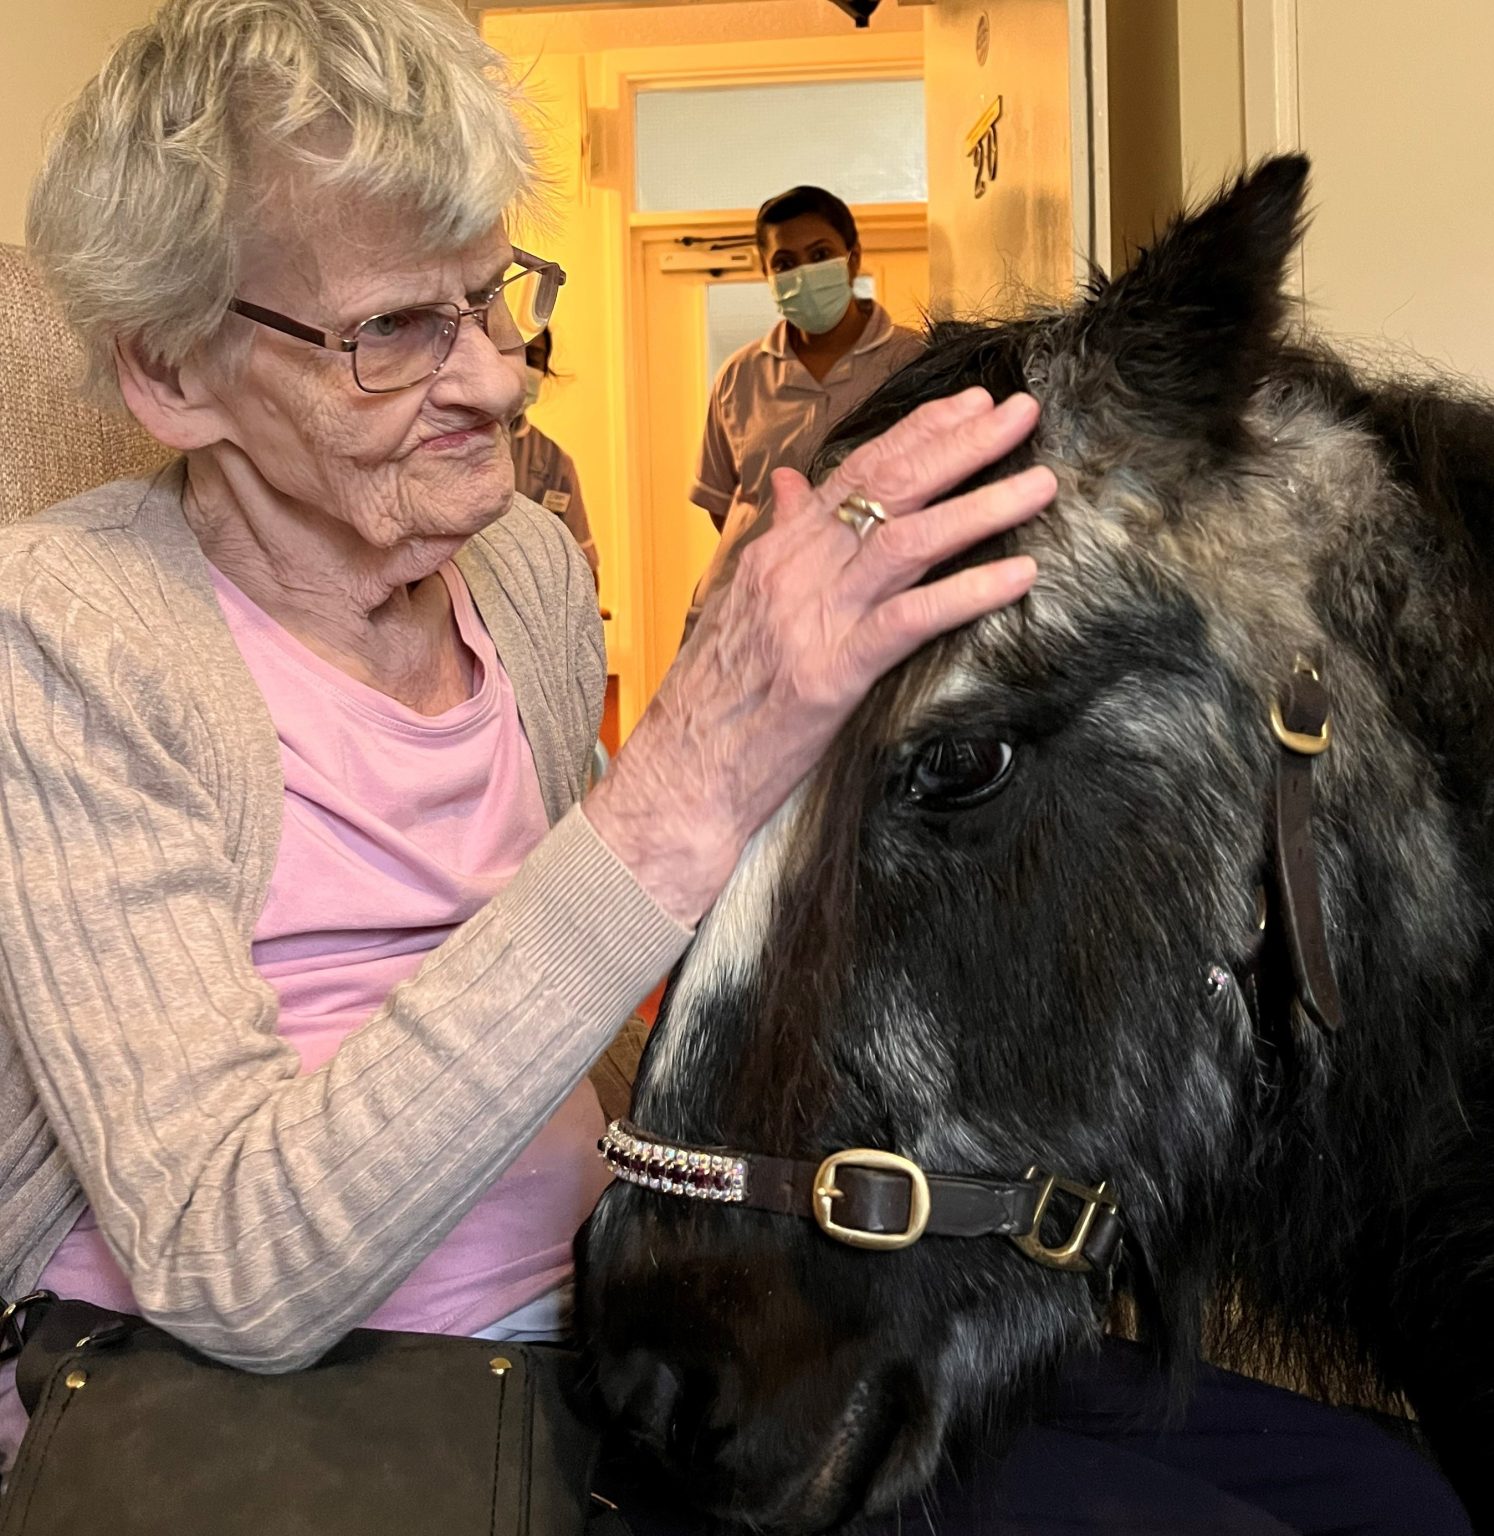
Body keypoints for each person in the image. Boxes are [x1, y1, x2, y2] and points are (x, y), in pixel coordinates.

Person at [0, 0, 1050, 1491]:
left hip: (616, 1334)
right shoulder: (61, 632)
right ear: (170, 372)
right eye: (391, 331)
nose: (499, 381)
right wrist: (686, 776)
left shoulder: (525, 572)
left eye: (494, 299)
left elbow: (582, 990)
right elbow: (227, 1263)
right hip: (294, 1419)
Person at [687, 185, 925, 626]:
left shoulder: (913, 362)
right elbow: (724, 506)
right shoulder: (739, 377)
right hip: (755, 611)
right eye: (785, 263)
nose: (803, 273)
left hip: (874, 611)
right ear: (766, 272)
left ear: (852, 259)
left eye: (820, 255)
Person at [512, 325, 600, 586]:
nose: (522, 365)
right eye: (515, 352)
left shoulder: (553, 461)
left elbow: (583, 567)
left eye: (533, 357)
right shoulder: (455, 445)